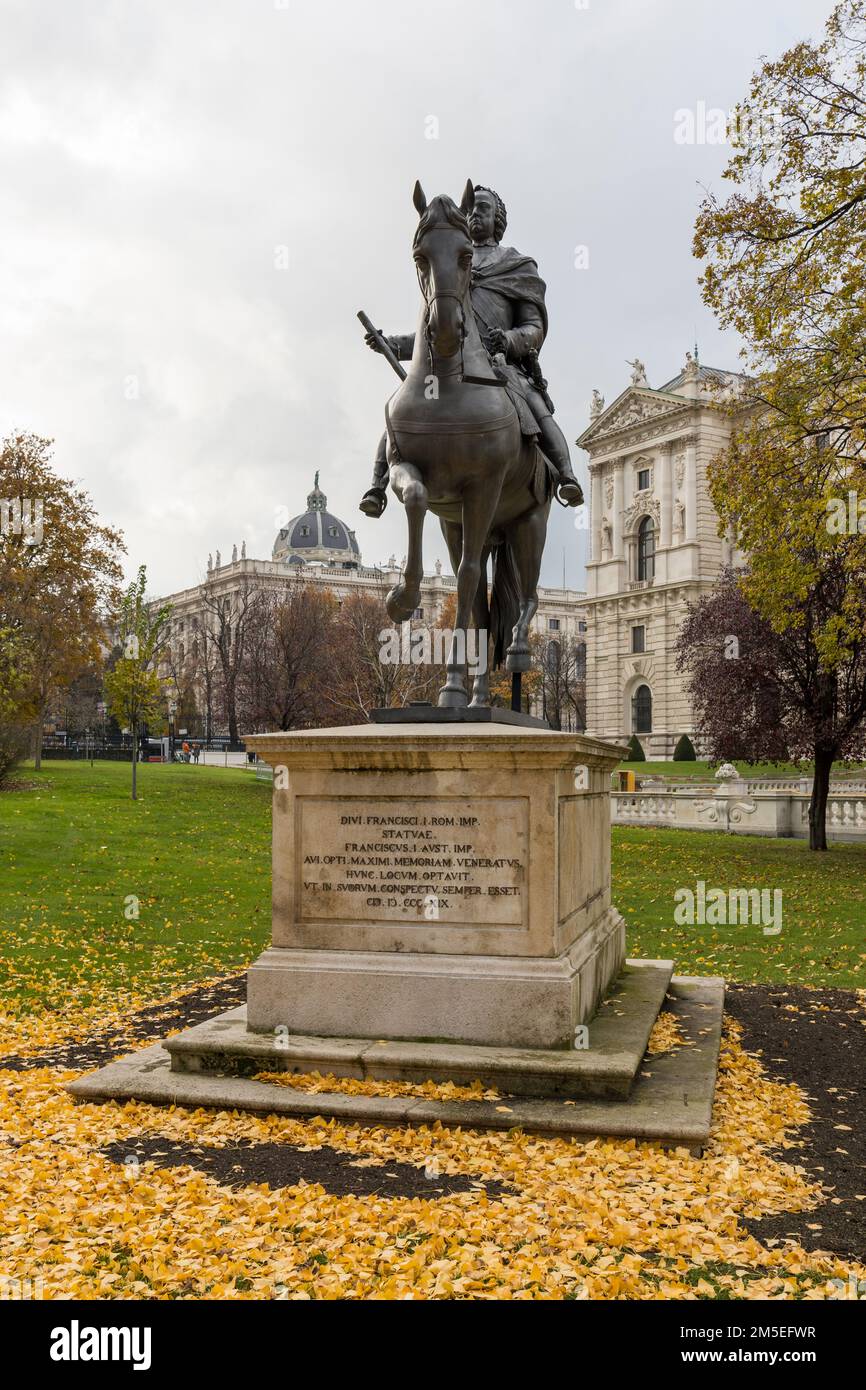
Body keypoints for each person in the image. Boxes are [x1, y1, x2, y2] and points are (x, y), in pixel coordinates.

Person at [360, 184, 583, 517]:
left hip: (498, 365)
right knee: (403, 404)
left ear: (498, 219)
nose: (475, 215)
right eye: (472, 210)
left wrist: (508, 341)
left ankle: (566, 474)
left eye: (483, 209)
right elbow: (429, 330)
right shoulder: (449, 258)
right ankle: (378, 483)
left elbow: (533, 329)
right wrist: (391, 344)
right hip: (446, 365)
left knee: (534, 405)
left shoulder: (516, 265)